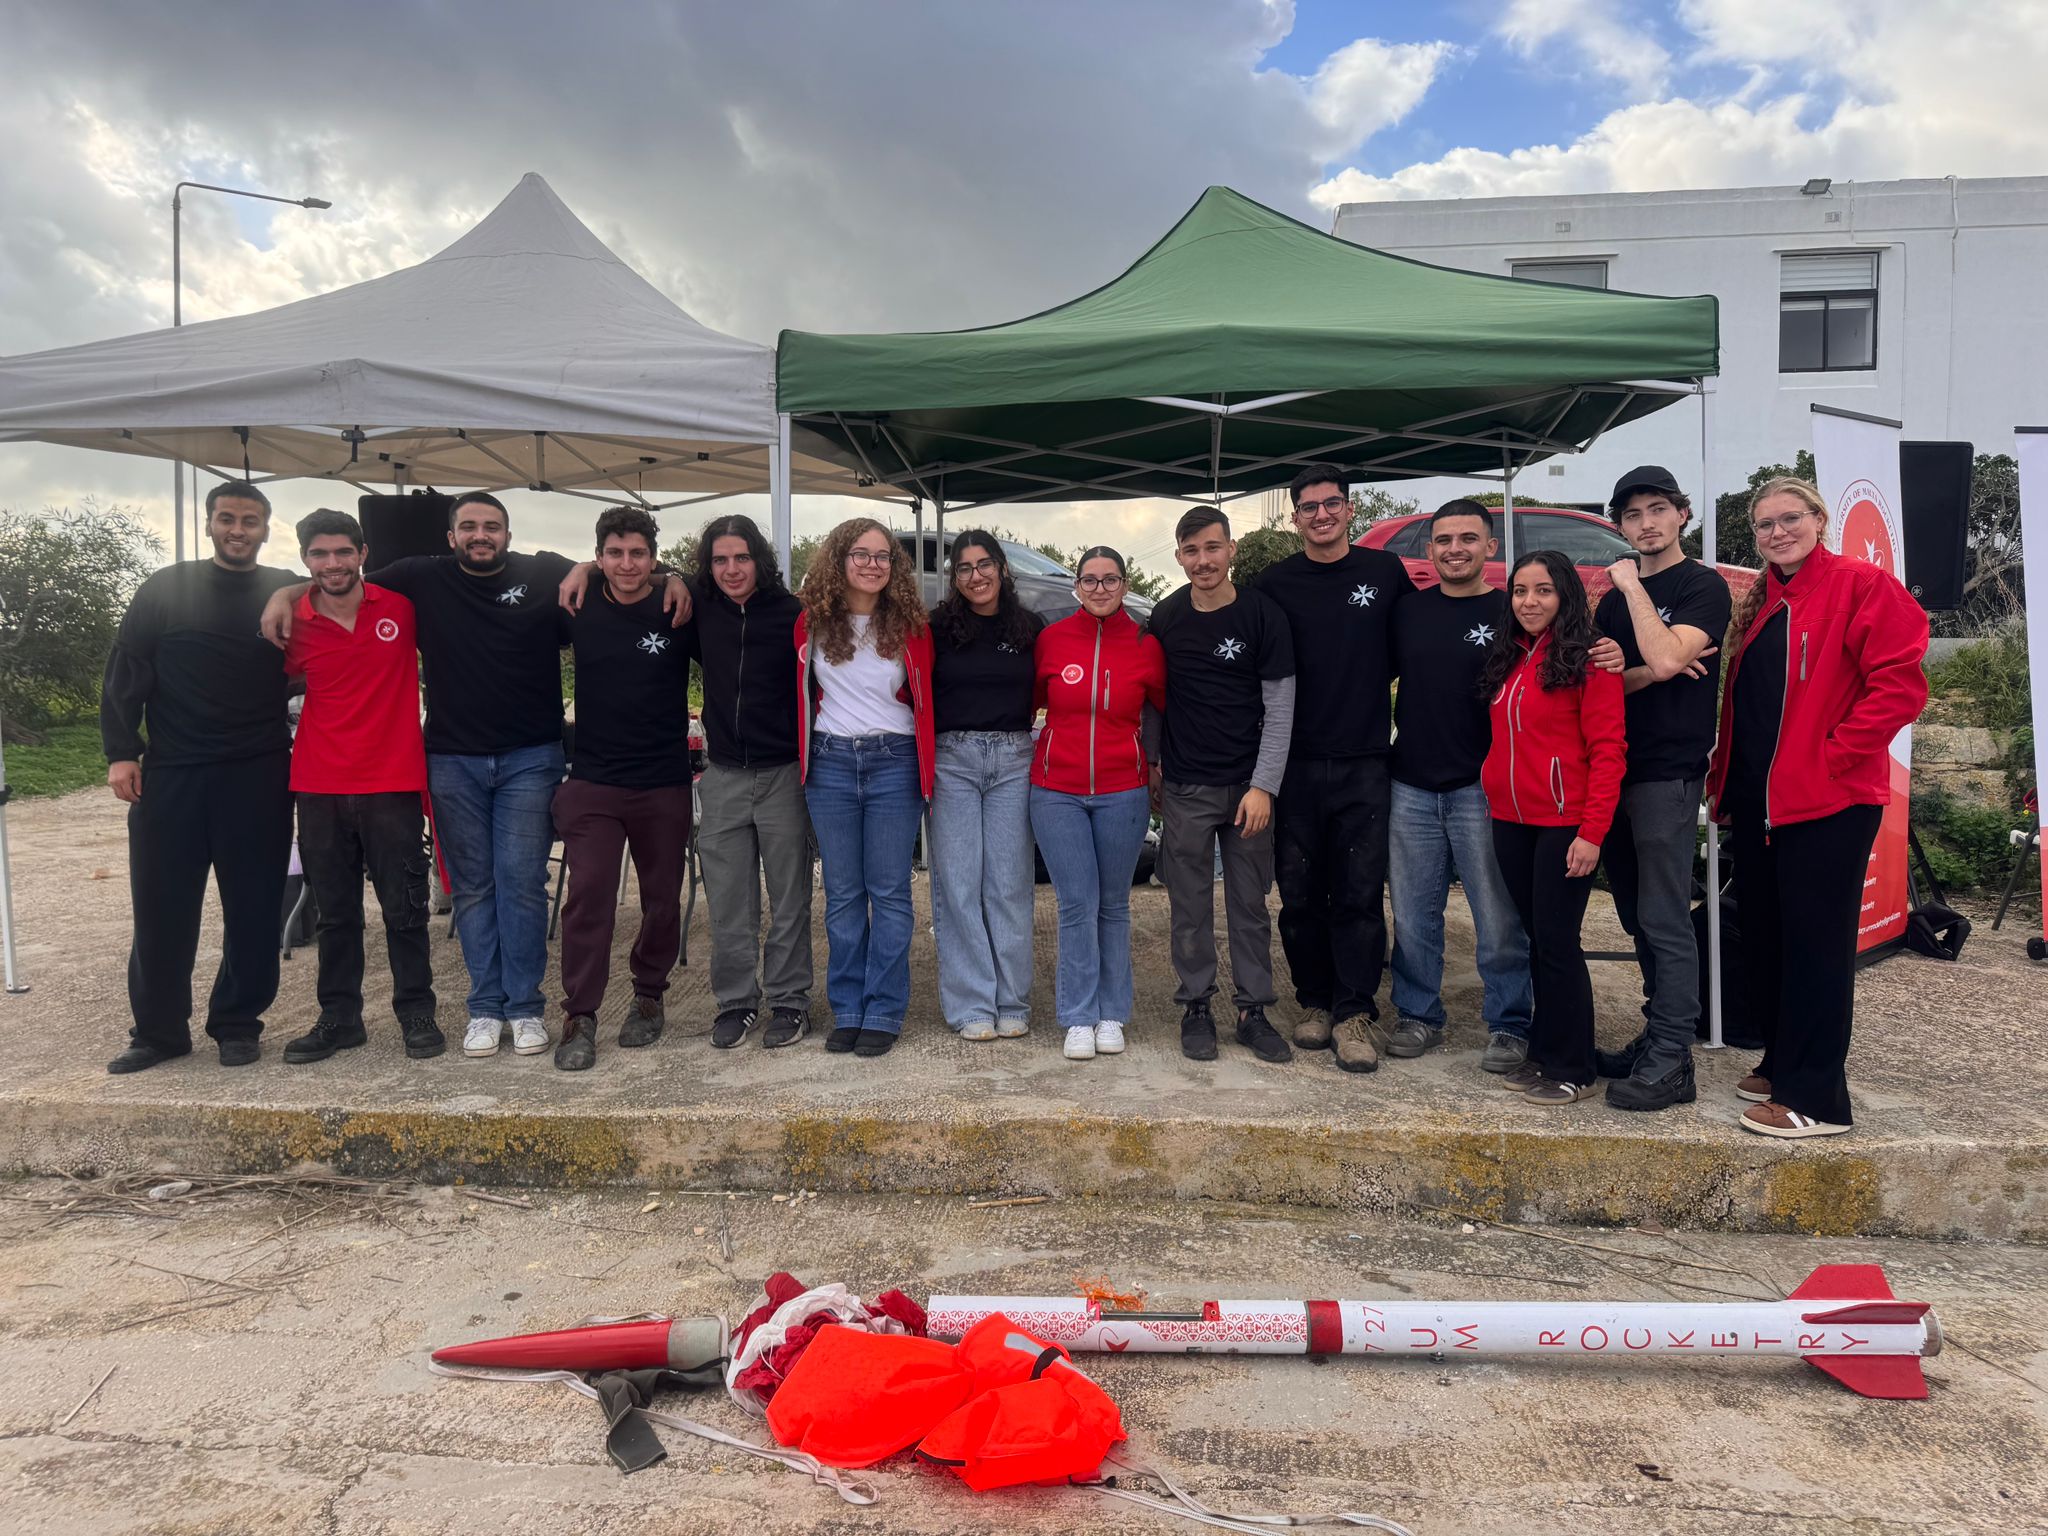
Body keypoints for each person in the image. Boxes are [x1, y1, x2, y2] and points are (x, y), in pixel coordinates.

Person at [263, 492, 686, 1061]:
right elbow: (341, 578)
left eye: (491, 526)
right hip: (452, 760)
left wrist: (673, 574)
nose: (480, 534)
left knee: (521, 885)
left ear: (508, 534)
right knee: (473, 889)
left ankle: (527, 1007)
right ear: (450, 537)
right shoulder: (419, 576)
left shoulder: (543, 572)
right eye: (469, 526)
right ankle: (486, 1008)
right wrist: (286, 590)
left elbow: (615, 569)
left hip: (530, 757)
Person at [1704, 477, 1928, 1138]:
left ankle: (1817, 1099)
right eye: (1765, 524)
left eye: (1789, 518)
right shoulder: (1764, 597)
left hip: (1826, 801)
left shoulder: (1860, 585)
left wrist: (1834, 755)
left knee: (1817, 949)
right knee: (1769, 941)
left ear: (1819, 518)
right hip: (1759, 803)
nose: (1778, 532)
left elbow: (1900, 686)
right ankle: (1782, 1060)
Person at [102, 480, 298, 1073]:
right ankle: (159, 1032)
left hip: (258, 773)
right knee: (162, 908)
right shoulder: (165, 588)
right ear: (209, 522)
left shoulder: (283, 589)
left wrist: (294, 586)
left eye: (251, 520)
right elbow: (125, 671)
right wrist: (121, 751)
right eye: (228, 518)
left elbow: (348, 593)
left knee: (255, 907)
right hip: (172, 774)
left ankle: (238, 1023)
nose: (238, 530)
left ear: (266, 528)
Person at [1253, 464, 1416, 1072]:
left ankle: (1354, 1012)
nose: (1321, 515)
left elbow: (1414, 652)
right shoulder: (1274, 584)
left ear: (1351, 511)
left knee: (1357, 892)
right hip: (1292, 764)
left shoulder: (1384, 573)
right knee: (1298, 895)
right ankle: (1314, 1003)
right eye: (1308, 507)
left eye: (1332, 504)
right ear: (1294, 518)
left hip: (1365, 761)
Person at [1587, 467, 1732, 1112]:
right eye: (1632, 515)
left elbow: (1674, 659)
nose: (1644, 524)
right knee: (1629, 912)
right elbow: (1606, 682)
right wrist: (1651, 668)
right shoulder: (1612, 606)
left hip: (1668, 774)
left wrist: (1629, 587)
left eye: (1657, 510)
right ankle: (1656, 1035)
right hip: (1613, 768)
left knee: (1664, 916)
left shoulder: (1704, 586)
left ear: (1681, 516)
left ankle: (1675, 1059)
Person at [279, 509, 440, 1065]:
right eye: (319, 554)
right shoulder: (292, 623)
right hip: (319, 785)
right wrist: (284, 595)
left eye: (342, 552)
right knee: (335, 913)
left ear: (363, 554)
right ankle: (340, 1018)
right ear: (306, 561)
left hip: (392, 782)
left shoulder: (399, 608)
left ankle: (417, 1012)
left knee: (406, 907)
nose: (332, 564)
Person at [1384, 500, 1533, 1072]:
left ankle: (1510, 1024)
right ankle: (1418, 1016)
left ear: (1490, 548)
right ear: (1429, 551)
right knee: (1414, 915)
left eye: (1468, 539)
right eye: (1443, 540)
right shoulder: (1406, 613)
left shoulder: (1512, 612)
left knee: (1497, 917)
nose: (1455, 549)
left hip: (1484, 786)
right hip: (1411, 784)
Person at [1145, 509, 1296, 1064]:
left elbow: (1280, 709)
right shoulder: (1165, 616)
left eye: (1213, 548)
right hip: (1185, 785)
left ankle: (1253, 1010)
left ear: (1231, 549)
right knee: (1188, 904)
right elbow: (1154, 703)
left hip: (1248, 789)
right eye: (1191, 550)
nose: (1203, 561)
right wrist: (1153, 765)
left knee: (1250, 904)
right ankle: (1197, 1005)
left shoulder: (1262, 615)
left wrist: (1264, 786)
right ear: (1179, 556)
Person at [1478, 551, 1626, 1105]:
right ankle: (1545, 1050)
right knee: (1539, 940)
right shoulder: (1512, 656)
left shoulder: (1591, 660)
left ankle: (1576, 1069)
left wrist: (1592, 833)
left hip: (1565, 823)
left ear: (1564, 594)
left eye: (1542, 590)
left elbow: (1609, 751)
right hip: (1511, 821)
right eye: (1520, 591)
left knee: (1559, 944)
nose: (1529, 602)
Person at [551, 507, 695, 1071]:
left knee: (662, 899)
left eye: (638, 553)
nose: (626, 563)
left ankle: (648, 997)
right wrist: (581, 567)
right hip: (594, 780)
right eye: (614, 553)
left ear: (653, 558)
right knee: (588, 896)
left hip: (662, 780)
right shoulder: (577, 603)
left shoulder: (678, 607)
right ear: (600, 556)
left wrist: (676, 578)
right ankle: (580, 1014)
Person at [795, 518, 935, 1059]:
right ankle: (847, 1009)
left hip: (893, 762)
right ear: (839, 559)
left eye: (883, 555)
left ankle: (882, 1009)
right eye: (861, 554)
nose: (873, 564)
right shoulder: (809, 622)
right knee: (844, 894)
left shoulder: (912, 626)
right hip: (829, 763)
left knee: (891, 891)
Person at [1031, 547, 1167, 1062]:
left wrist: (1154, 764)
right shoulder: (1052, 639)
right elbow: (1026, 704)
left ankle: (1112, 1012)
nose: (1100, 589)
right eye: (1090, 580)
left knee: (1113, 904)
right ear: (1076, 586)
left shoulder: (1144, 644)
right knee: (1074, 904)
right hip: (1055, 790)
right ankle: (1077, 1016)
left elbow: (1161, 707)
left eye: (1110, 580)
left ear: (1125, 584)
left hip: (1122, 791)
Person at [685, 514, 814, 1050]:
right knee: (730, 902)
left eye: (741, 558)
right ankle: (736, 1003)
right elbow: (638, 579)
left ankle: (790, 1000)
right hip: (723, 776)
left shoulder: (792, 615)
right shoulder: (696, 611)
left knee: (790, 899)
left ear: (759, 559)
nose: (731, 569)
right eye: (719, 559)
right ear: (706, 565)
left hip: (784, 773)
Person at [927, 531, 1043, 1042]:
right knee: (957, 884)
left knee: (1009, 883)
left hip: (1015, 759)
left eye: (985, 564)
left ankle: (1011, 1000)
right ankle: (973, 1003)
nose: (976, 576)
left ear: (1001, 568)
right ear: (954, 578)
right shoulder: (936, 628)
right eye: (965, 568)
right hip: (953, 761)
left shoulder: (1029, 626)